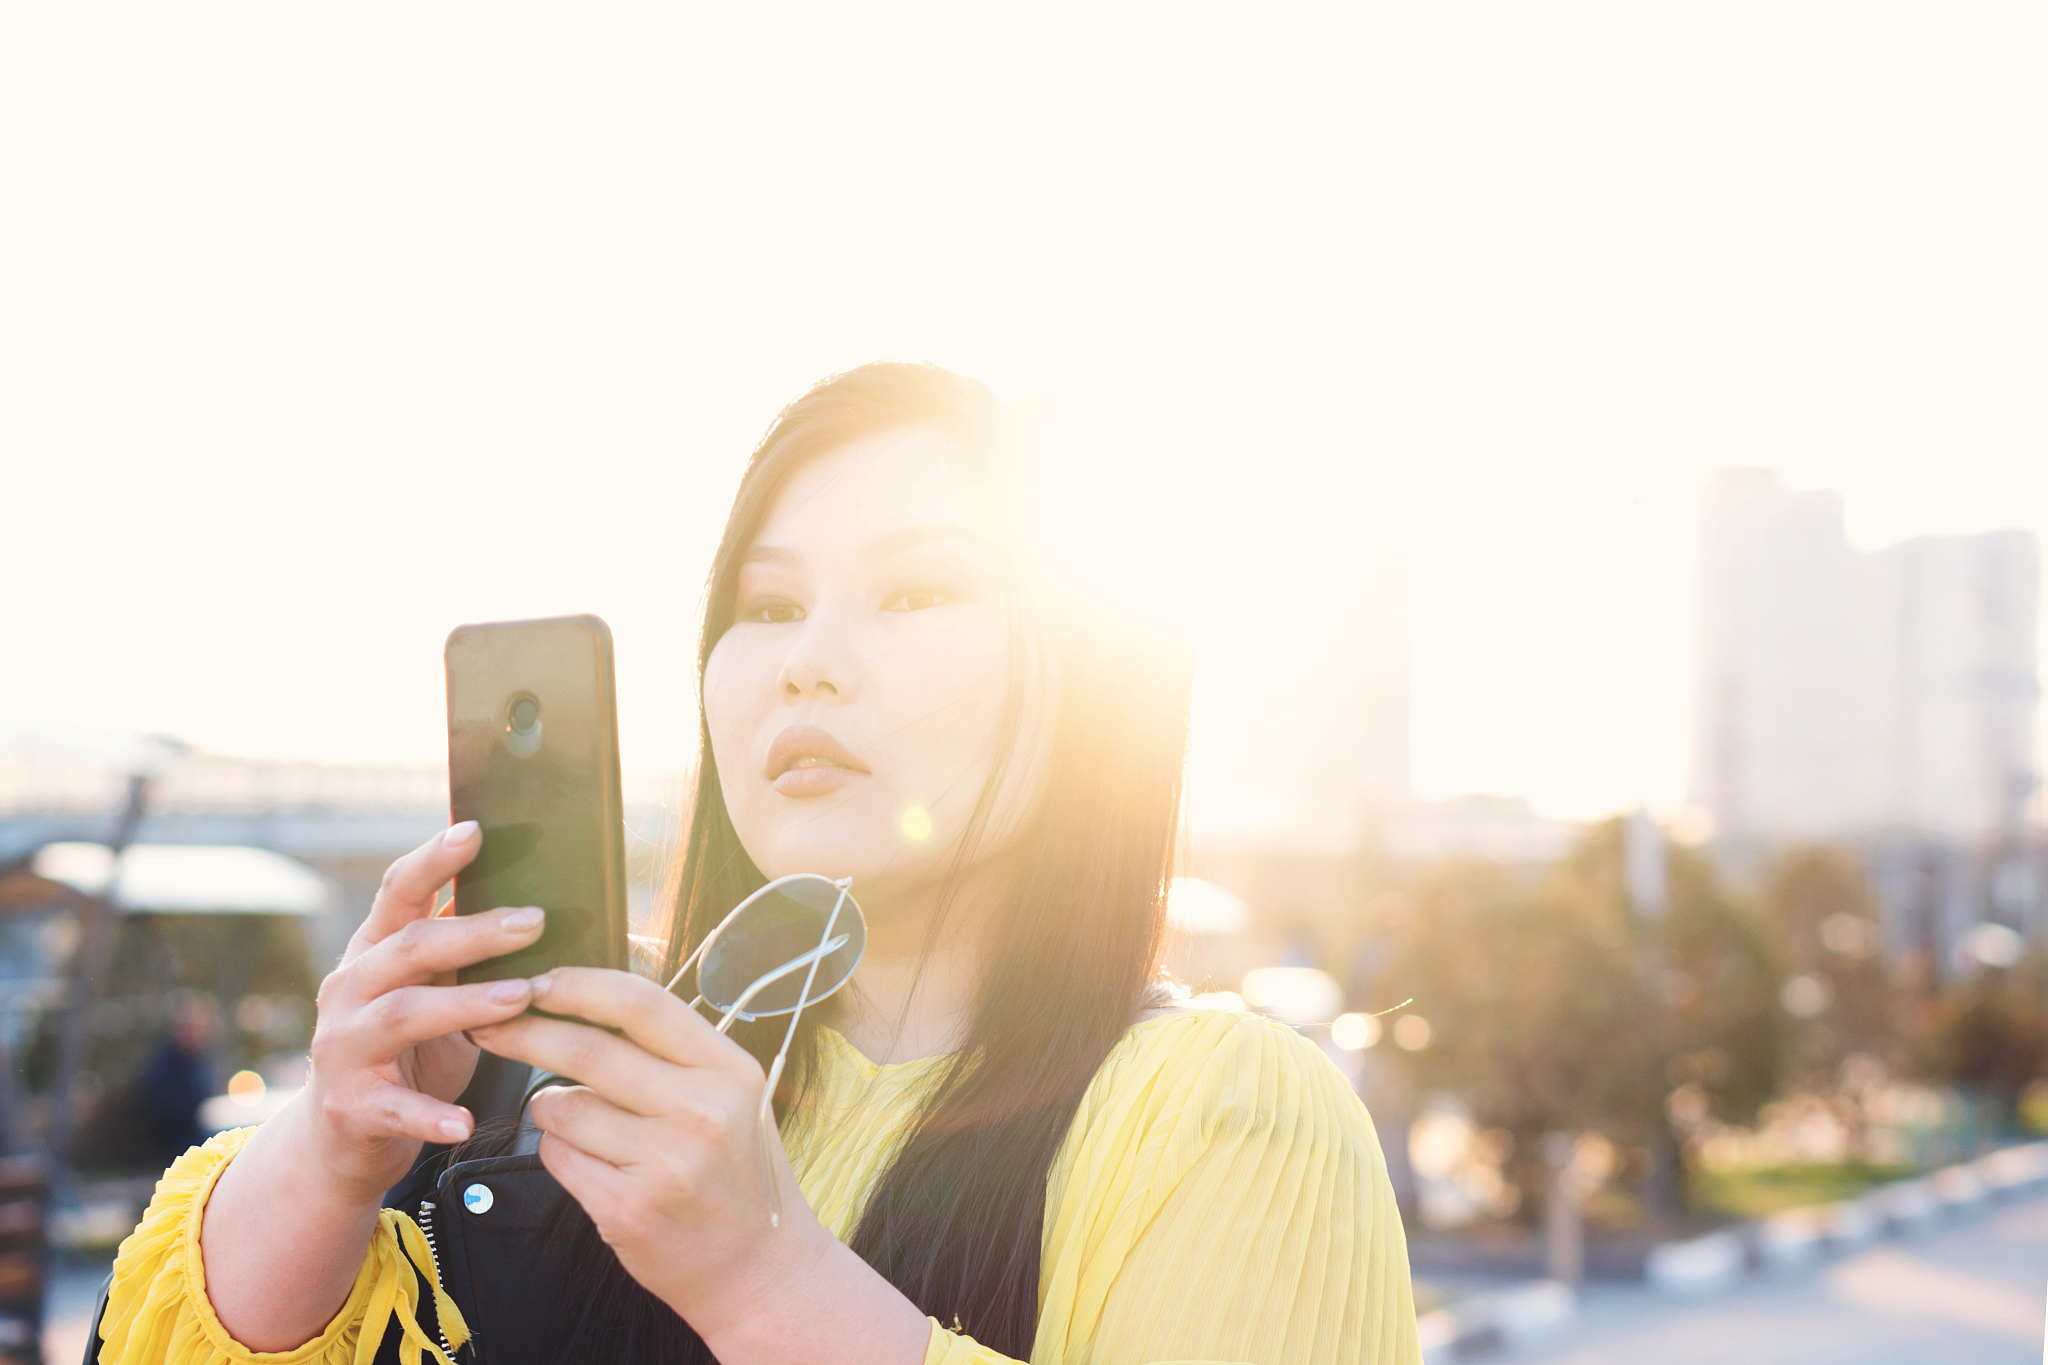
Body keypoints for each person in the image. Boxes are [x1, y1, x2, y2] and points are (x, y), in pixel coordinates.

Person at [95, 363, 1421, 1364]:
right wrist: (332, 1153)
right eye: (766, 606)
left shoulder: (1227, 1106)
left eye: (916, 592)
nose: (808, 658)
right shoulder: (567, 1092)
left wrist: (760, 1274)